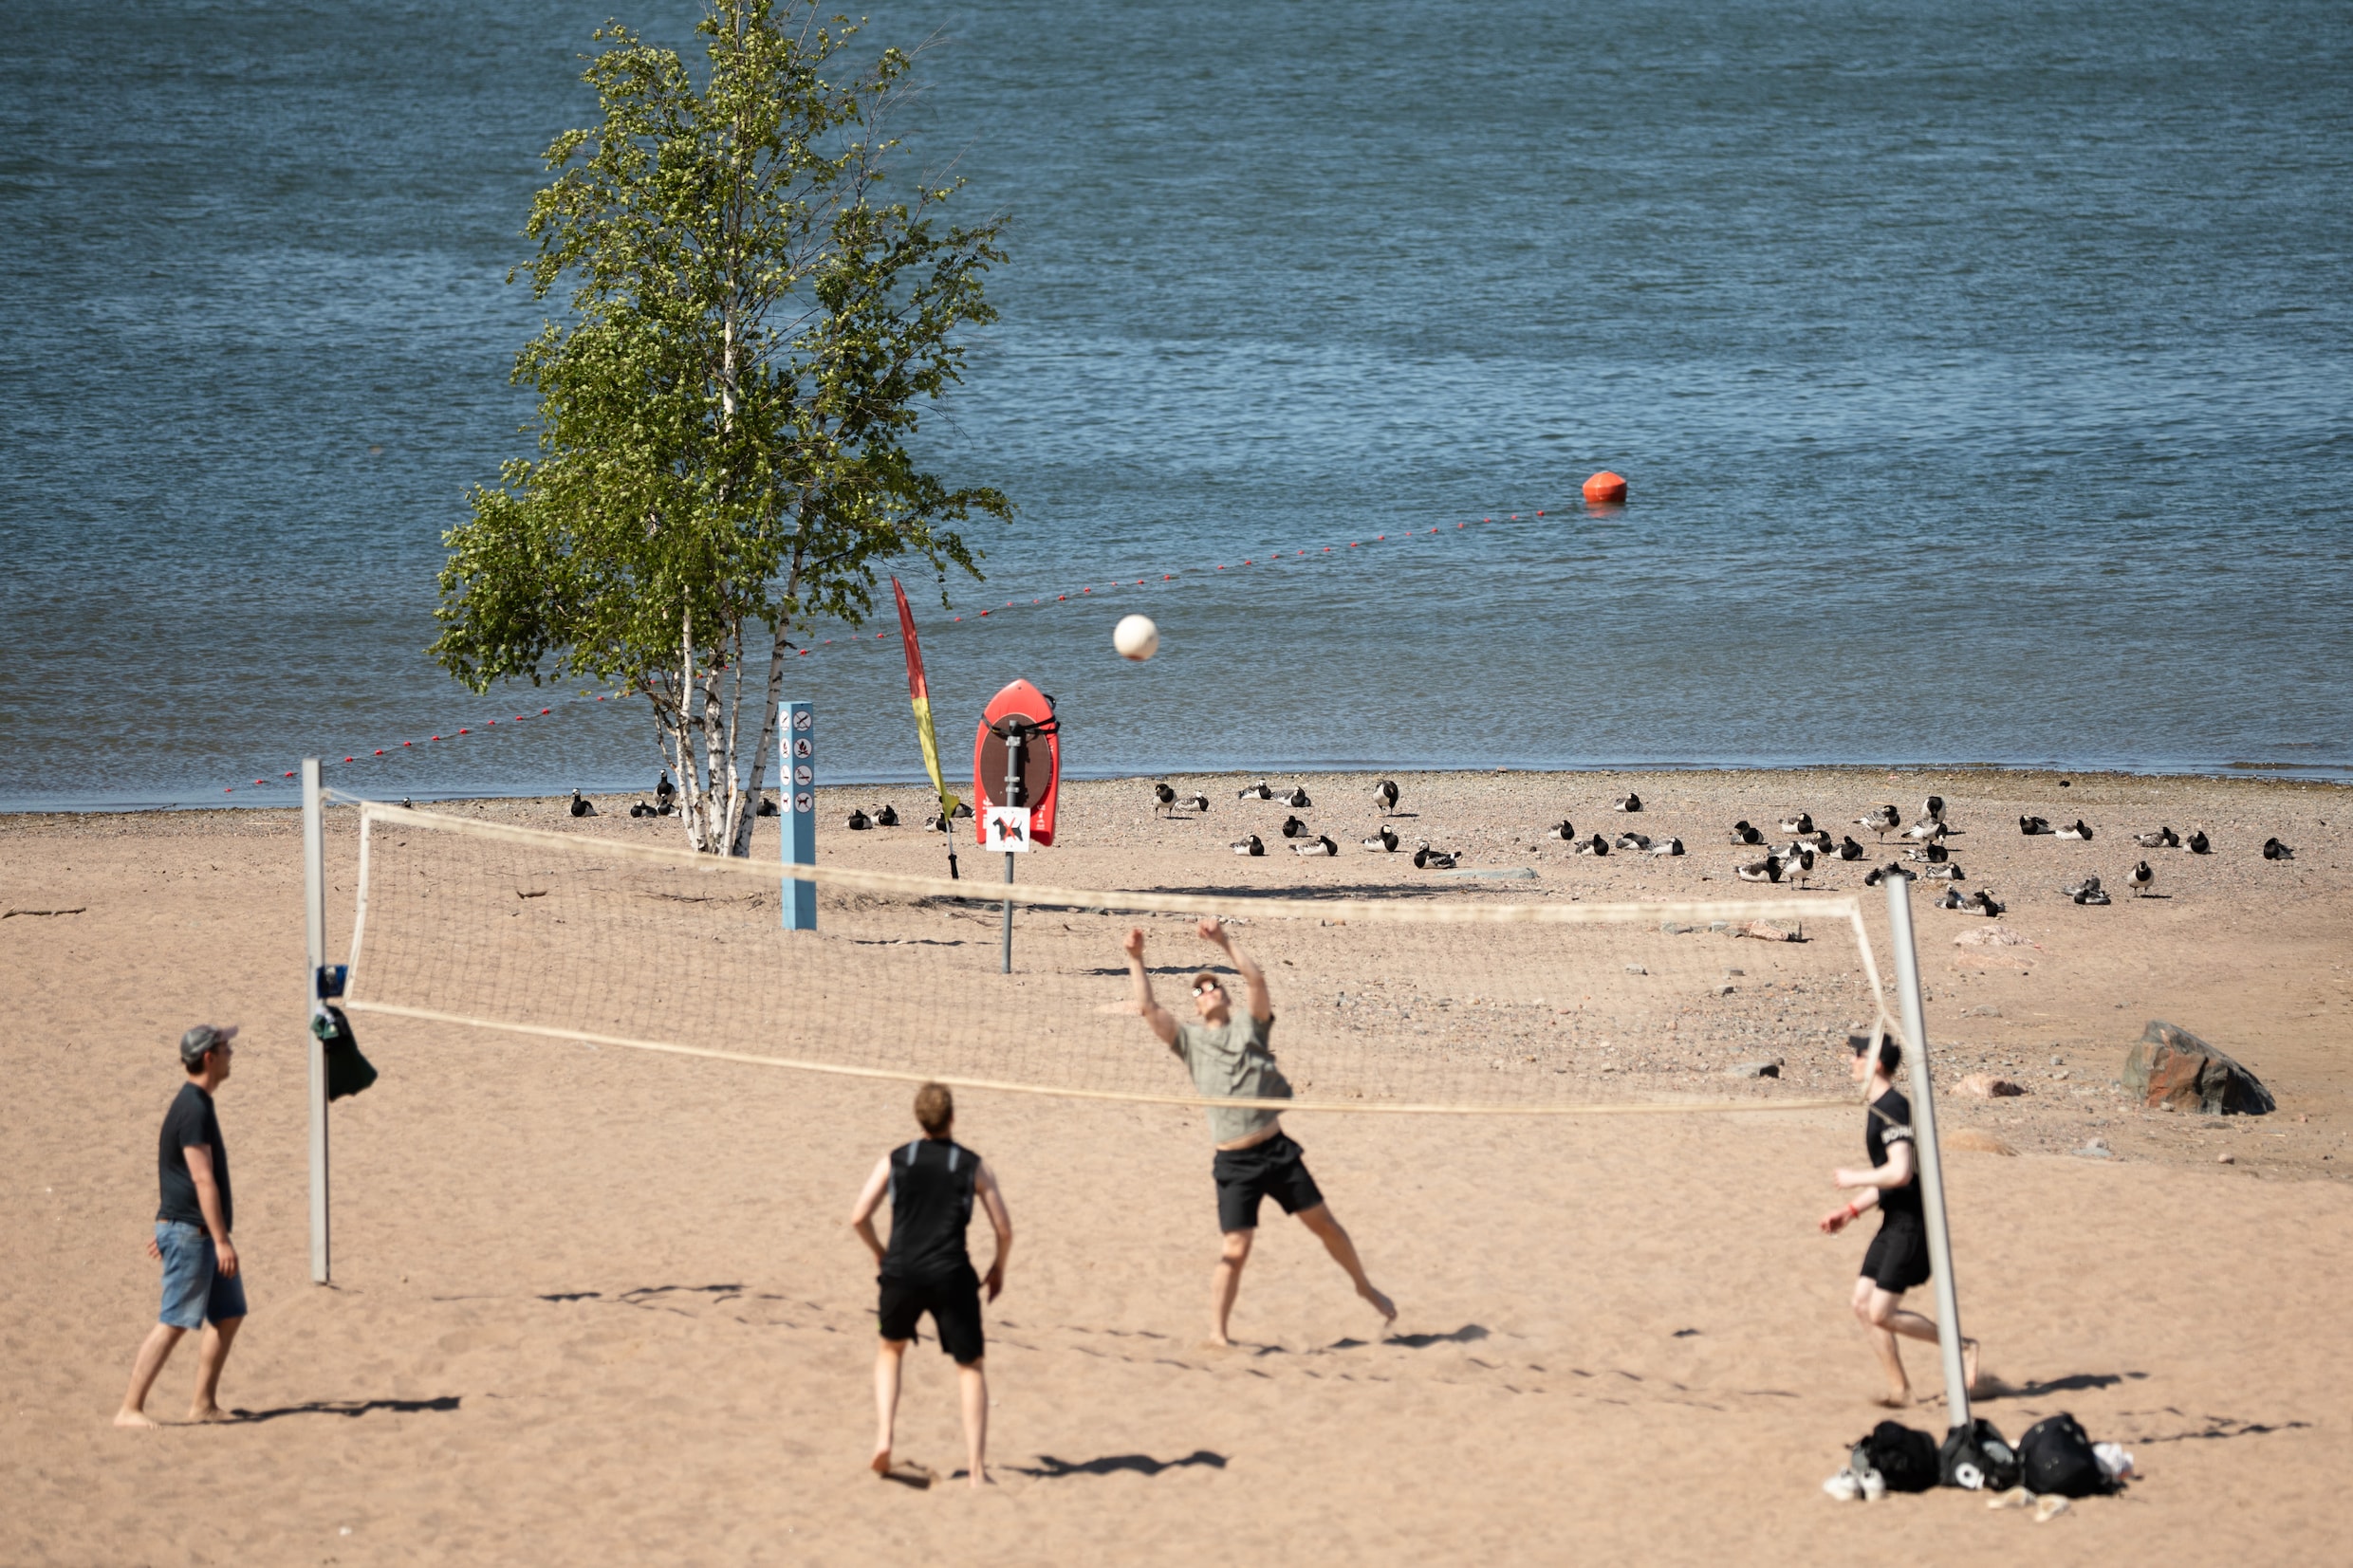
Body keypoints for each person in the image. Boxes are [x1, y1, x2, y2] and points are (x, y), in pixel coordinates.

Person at [1121, 918, 1396, 1347]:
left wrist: (1224, 942)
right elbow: (1149, 1010)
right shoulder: (1189, 1042)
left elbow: (1255, 978)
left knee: (1327, 1227)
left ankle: (1363, 1285)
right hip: (1235, 1161)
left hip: (1276, 1150)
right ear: (1195, 1009)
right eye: (1198, 991)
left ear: (1226, 997)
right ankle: (1218, 1334)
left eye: (1213, 986)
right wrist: (1137, 960)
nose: (1207, 991)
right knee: (1235, 1249)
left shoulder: (1251, 1026)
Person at [849, 1082, 1012, 1488]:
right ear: (952, 1118)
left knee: (890, 1349)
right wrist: (997, 1269)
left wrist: (880, 1253)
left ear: (919, 1120)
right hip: (951, 1274)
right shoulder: (972, 1164)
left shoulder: (895, 1159)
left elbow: (858, 1216)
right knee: (970, 1367)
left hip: (902, 1272)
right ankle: (976, 1471)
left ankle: (884, 1438)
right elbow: (1004, 1229)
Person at [1819, 1030, 1981, 1407]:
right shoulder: (1879, 1106)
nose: (1850, 1060)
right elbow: (1890, 1181)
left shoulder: (1893, 1106)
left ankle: (1965, 1347)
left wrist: (1853, 1178)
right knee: (1862, 1305)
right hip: (1893, 1219)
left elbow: (1902, 1172)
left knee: (1881, 1311)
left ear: (1875, 1064)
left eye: (1857, 1055)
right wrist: (1850, 1211)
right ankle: (1901, 1391)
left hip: (1911, 1224)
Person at [117, 1024, 247, 1427]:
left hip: (191, 1229)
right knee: (174, 1321)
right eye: (226, 1047)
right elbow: (200, 1176)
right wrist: (217, 1239)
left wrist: (168, 1224)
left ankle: (203, 1404)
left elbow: (173, 1172)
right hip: (195, 1235)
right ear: (209, 1057)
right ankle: (130, 1408)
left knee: (229, 1314)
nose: (231, 1052)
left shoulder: (198, 1103)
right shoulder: (192, 1108)